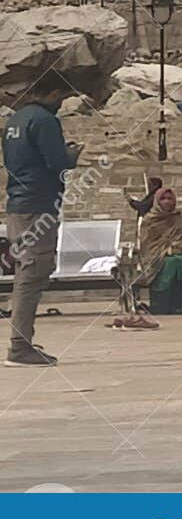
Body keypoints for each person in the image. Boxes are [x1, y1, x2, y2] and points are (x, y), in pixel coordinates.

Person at [3, 70, 78, 366]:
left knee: (26, 271)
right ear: (53, 93)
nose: (62, 103)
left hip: (18, 205)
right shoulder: (45, 120)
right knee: (32, 275)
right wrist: (71, 156)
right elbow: (56, 163)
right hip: (38, 205)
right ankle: (20, 347)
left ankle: (22, 340)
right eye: (62, 97)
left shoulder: (15, 120)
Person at [136, 186, 182, 315]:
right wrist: (166, 250)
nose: (167, 201)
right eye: (163, 199)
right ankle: (162, 303)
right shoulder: (150, 220)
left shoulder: (180, 217)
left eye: (170, 198)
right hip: (157, 256)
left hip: (180, 252)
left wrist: (178, 247)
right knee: (171, 263)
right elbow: (147, 243)